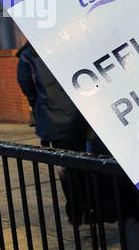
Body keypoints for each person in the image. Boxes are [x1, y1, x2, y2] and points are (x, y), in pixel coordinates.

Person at [16, 40, 92, 226]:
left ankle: (76, 211)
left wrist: (38, 107)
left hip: (54, 119)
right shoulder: (68, 43)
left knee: (66, 167)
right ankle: (92, 208)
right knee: (89, 162)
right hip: (83, 116)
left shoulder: (28, 55)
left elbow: (27, 87)